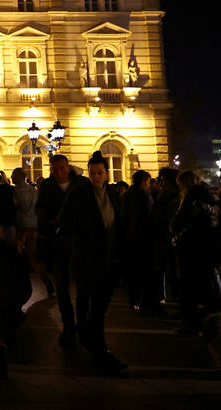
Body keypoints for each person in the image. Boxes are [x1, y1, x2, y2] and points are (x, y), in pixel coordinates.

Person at [59, 151, 126, 373]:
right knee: (91, 304)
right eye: (92, 173)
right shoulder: (79, 194)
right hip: (87, 259)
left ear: (106, 173)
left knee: (99, 305)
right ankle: (99, 348)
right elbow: (66, 221)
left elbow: (120, 225)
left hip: (108, 260)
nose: (96, 176)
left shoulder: (113, 195)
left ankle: (89, 339)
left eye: (99, 172)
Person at [36, 154, 86, 345]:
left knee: (82, 288)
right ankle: (68, 326)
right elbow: (40, 211)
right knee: (62, 288)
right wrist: (50, 225)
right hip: (57, 243)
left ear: (68, 167)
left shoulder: (81, 184)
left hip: (79, 244)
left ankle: (81, 325)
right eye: (54, 169)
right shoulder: (47, 186)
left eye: (61, 168)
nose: (58, 172)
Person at [170, 171, 221, 334]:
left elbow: (180, 221)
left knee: (190, 288)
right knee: (209, 288)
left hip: (191, 248)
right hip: (208, 247)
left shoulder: (191, 198)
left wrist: (176, 233)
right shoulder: (211, 197)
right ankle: (214, 324)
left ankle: (192, 325)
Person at [121, 170, 156, 311]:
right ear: (143, 182)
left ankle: (134, 300)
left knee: (132, 273)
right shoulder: (144, 195)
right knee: (146, 272)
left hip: (129, 239)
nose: (149, 185)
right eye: (148, 182)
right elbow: (148, 216)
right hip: (143, 238)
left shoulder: (127, 195)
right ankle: (146, 302)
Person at [153, 167, 182, 305]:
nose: (161, 183)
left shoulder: (177, 198)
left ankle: (175, 301)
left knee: (175, 274)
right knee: (167, 272)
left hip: (172, 241)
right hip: (165, 240)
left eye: (163, 180)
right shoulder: (165, 195)